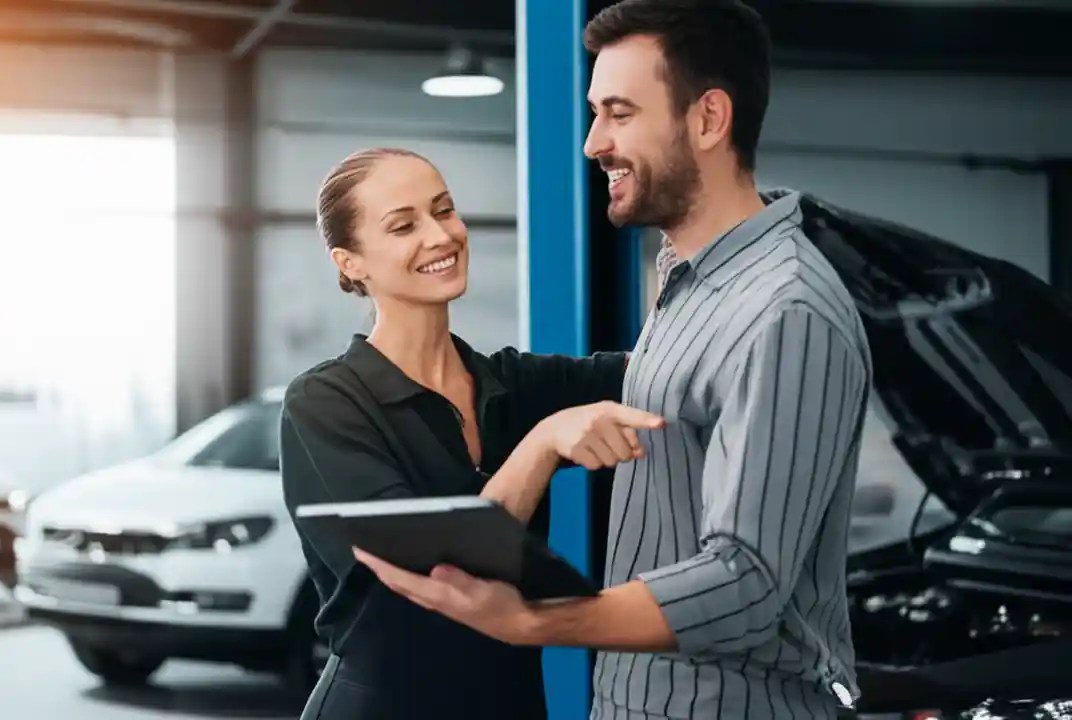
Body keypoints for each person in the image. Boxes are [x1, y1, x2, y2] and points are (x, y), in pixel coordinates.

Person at [355, 1, 874, 718]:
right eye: (595, 113)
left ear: (708, 119)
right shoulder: (690, 281)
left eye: (619, 112)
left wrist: (532, 621)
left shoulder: (786, 310)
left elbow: (745, 582)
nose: (593, 142)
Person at [279, 147, 666, 720]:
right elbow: (441, 573)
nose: (440, 236)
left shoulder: (514, 384)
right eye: (404, 225)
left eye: (445, 210)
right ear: (351, 261)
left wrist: (682, 257)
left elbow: (663, 367)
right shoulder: (327, 404)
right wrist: (542, 444)